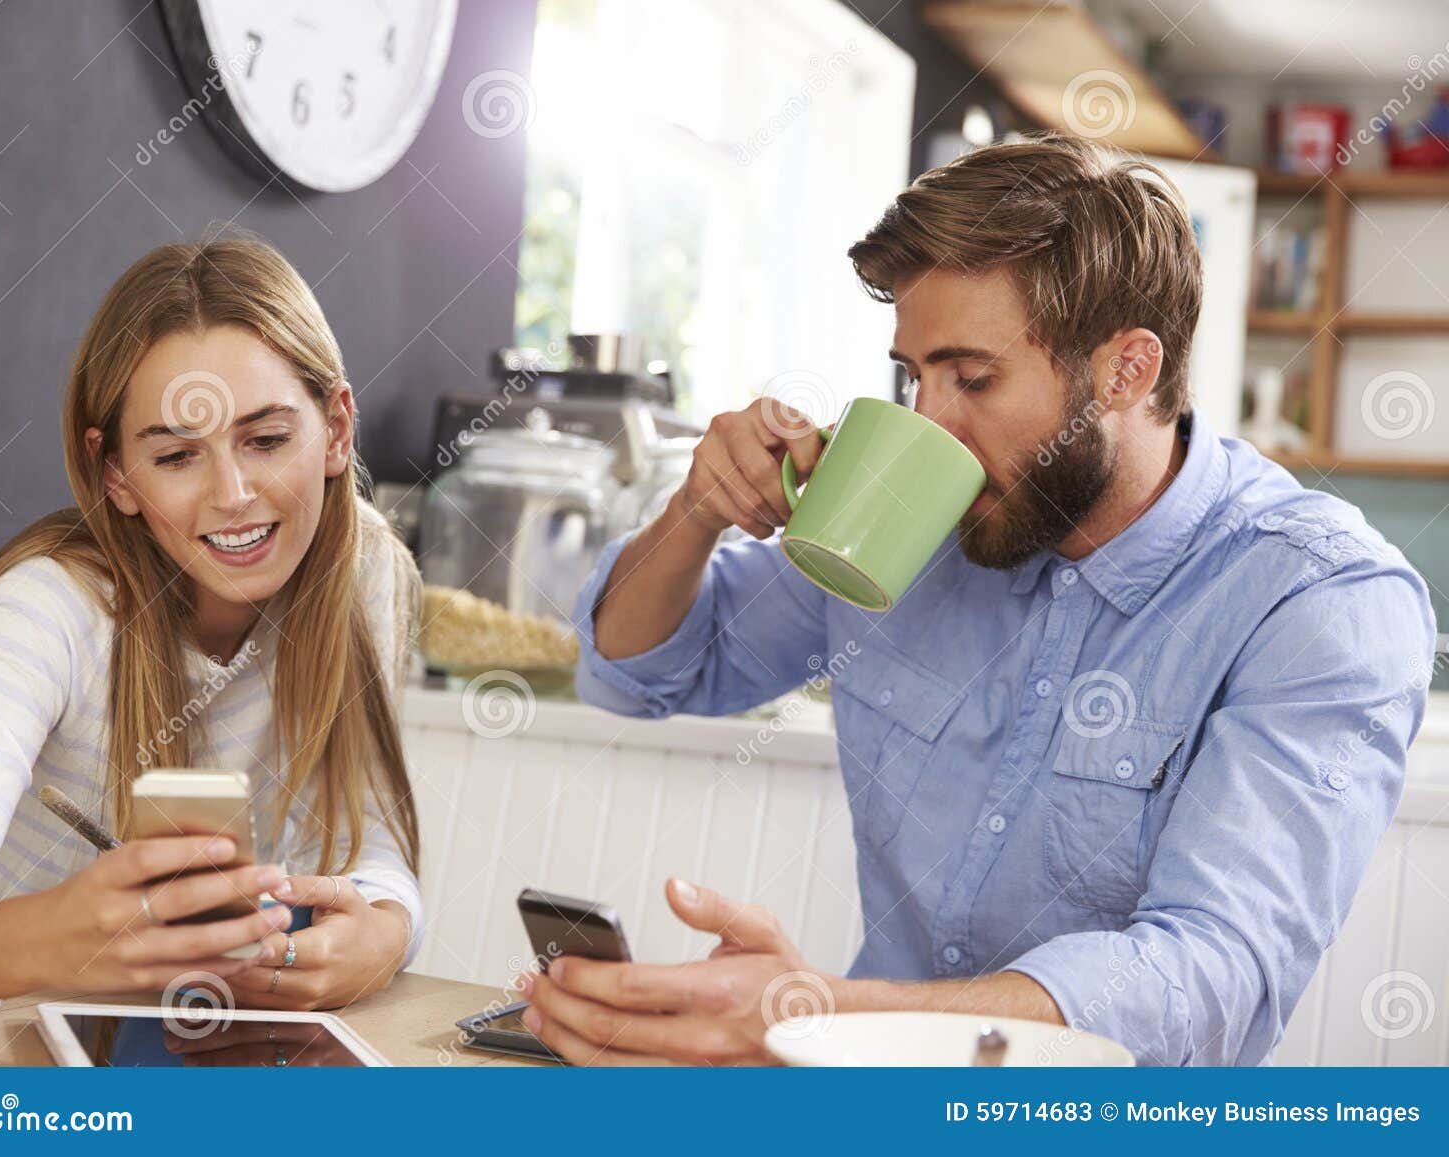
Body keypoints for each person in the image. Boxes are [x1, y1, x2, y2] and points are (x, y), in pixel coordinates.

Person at [517, 136, 1438, 1066]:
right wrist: (695, 510)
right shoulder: (917, 512)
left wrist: (820, 1015)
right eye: (913, 375)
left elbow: (1207, 979)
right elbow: (631, 673)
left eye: (973, 378)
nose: (929, 420)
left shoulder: (1322, 601)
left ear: (1127, 370)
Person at [0, 237, 423, 1013]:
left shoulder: (364, 571)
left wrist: (384, 932)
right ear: (115, 473)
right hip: (7, 1047)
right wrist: (59, 937)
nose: (233, 493)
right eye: (178, 456)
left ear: (337, 429)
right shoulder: (49, 609)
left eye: (266, 439)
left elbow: (374, 854)